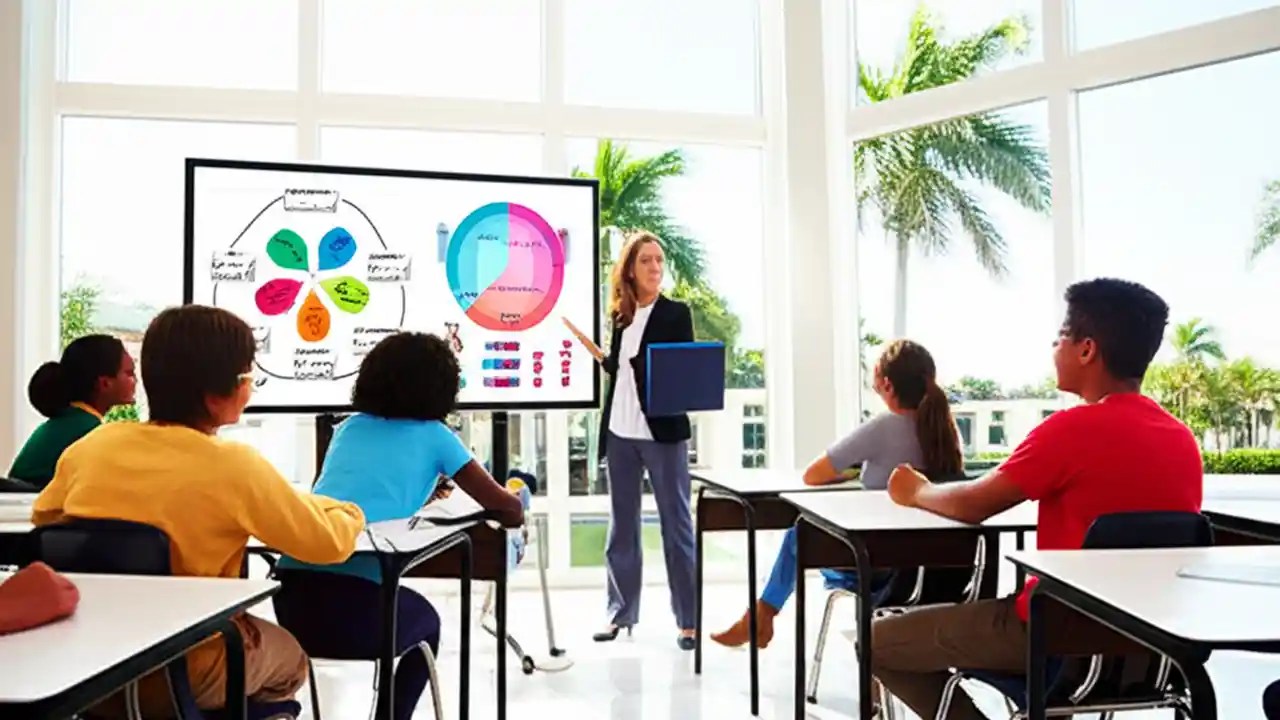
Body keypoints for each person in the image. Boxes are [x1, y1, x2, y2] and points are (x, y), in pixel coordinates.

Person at [874, 278, 1203, 720]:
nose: (1054, 346)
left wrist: (916, 490)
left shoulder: (1070, 430)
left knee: (875, 642)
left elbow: (974, 503)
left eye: (1060, 336)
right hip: (1146, 654)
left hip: (1052, 637)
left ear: (1086, 349)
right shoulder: (1182, 442)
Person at [31, 305, 365, 717]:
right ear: (214, 396)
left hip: (89, 672)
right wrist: (350, 511)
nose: (252, 387)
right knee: (292, 660)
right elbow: (326, 543)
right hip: (188, 670)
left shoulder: (89, 449)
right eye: (248, 376)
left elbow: (45, 521)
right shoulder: (234, 466)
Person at [272, 332, 524, 720]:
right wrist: (519, 498)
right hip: (363, 613)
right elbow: (505, 510)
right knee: (428, 623)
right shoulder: (437, 437)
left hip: (290, 603)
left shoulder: (348, 429)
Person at [711, 340, 962, 649]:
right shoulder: (945, 433)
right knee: (802, 535)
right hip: (928, 573)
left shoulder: (883, 427)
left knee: (799, 536)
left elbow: (813, 474)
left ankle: (761, 617)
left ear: (885, 384)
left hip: (879, 568)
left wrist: (855, 471)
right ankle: (760, 617)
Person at [563, 231, 699, 650]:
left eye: (659, 261)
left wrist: (633, 365)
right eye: (647, 261)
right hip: (620, 433)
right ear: (630, 268)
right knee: (622, 527)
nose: (656, 268)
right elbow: (622, 372)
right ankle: (620, 614)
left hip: (662, 433)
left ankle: (688, 621)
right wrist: (599, 354)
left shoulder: (676, 314)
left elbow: (678, 372)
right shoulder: (620, 316)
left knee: (676, 526)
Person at [9, 334, 136, 488]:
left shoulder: (66, 421)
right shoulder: (89, 432)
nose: (135, 380)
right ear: (104, 383)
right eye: (129, 373)